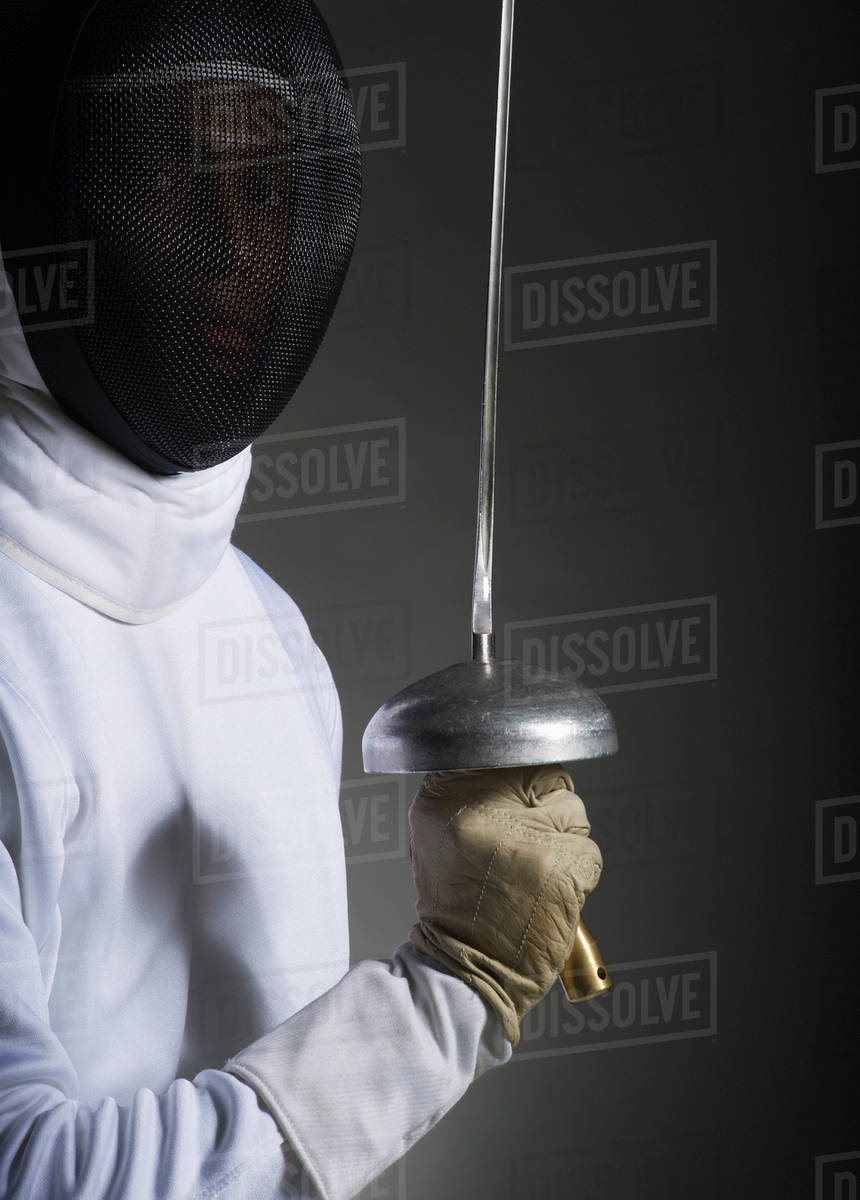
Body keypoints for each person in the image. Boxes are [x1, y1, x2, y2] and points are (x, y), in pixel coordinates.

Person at [0, 1, 603, 1196]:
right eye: (174, 175)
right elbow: (30, 1173)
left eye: (269, 188)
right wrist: (446, 995)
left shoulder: (268, 635)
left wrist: (457, 966)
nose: (233, 247)